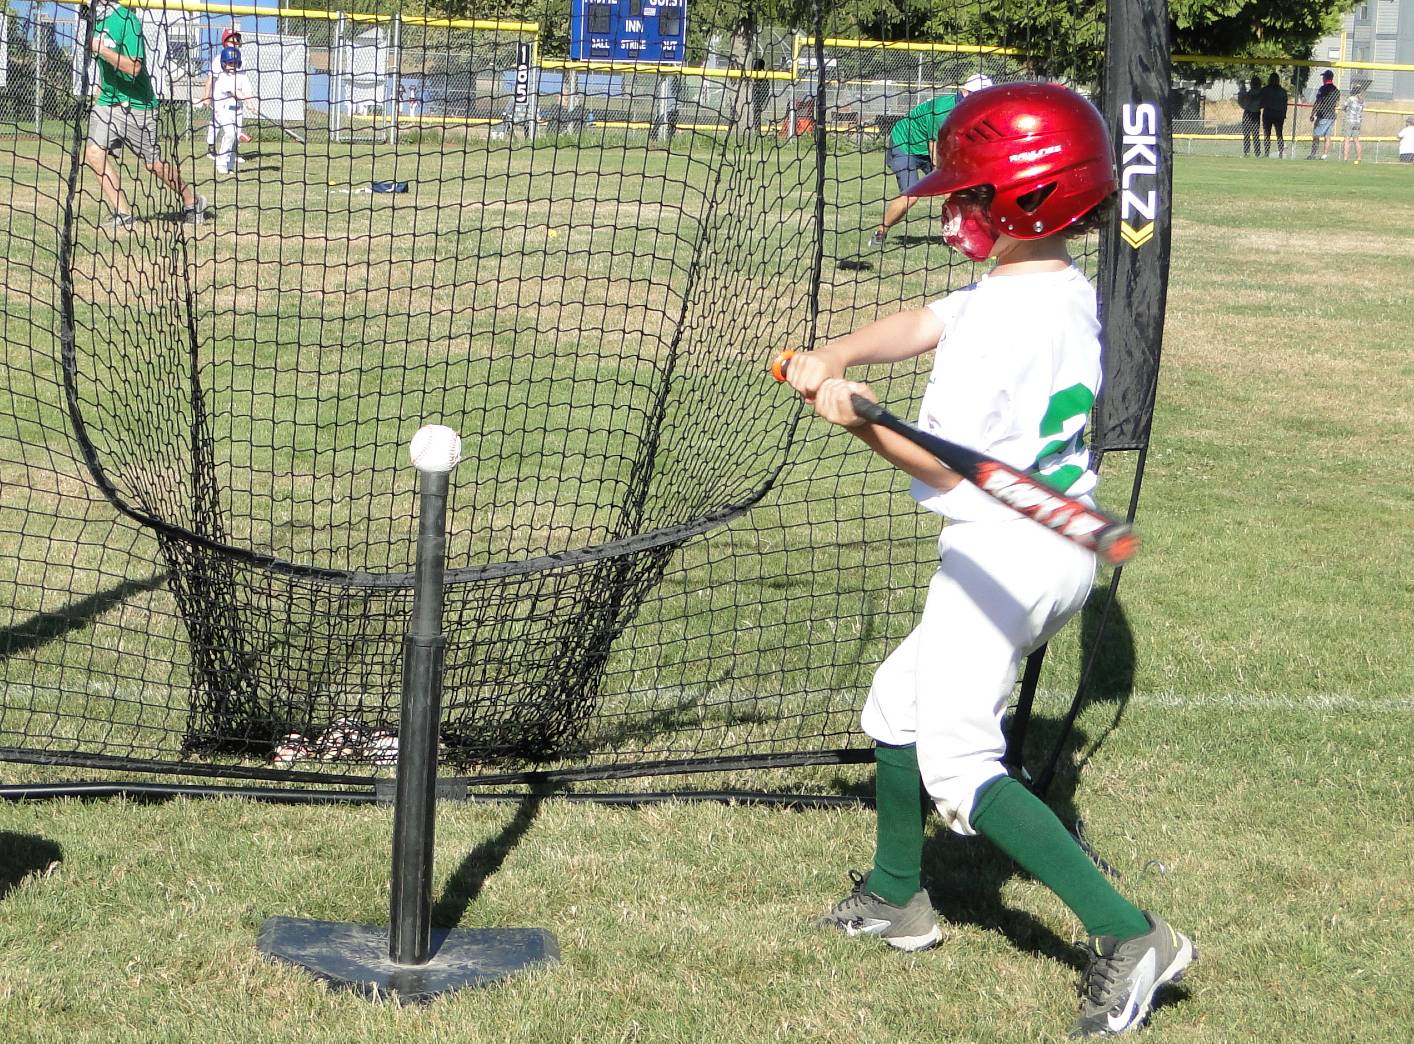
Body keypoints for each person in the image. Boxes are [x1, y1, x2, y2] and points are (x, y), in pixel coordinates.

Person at [782, 83, 1195, 1038]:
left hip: (1002, 550)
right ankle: (897, 897)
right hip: (1050, 544)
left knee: (959, 762)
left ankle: (1131, 936)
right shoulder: (1047, 288)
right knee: (897, 703)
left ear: (1029, 200)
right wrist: (842, 352)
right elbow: (933, 319)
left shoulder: (1003, 327)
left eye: (971, 196)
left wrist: (854, 420)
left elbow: (942, 467)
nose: (956, 212)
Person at [84, 0, 204, 229]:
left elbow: (134, 67)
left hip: (139, 106)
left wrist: (101, 49)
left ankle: (192, 200)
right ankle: (123, 213)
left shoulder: (128, 21)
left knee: (153, 165)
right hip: (108, 103)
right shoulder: (95, 21)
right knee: (93, 153)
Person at [872, 73, 993, 245]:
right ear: (964, 92)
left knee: (959, 192)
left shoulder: (973, 111)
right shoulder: (944, 111)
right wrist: (945, 177)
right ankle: (880, 232)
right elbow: (935, 150)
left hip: (930, 149)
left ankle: (958, 236)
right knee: (911, 195)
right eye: (977, 95)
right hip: (905, 145)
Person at [206, 46, 254, 175]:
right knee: (230, 134)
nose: (232, 66)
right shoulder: (222, 78)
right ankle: (221, 163)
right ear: (223, 63)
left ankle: (230, 165)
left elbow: (247, 91)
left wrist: (251, 103)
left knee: (236, 139)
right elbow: (236, 92)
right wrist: (245, 98)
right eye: (229, 63)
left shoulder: (242, 76)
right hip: (223, 110)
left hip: (238, 111)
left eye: (235, 63)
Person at [1307, 69, 1339, 160]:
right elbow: (1336, 103)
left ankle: (1313, 154)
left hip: (1323, 115)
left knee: (1316, 135)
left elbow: (1318, 102)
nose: (1323, 79)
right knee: (1327, 136)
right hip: (1331, 116)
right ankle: (1325, 154)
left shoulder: (1323, 88)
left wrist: (1312, 114)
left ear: (1326, 78)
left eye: (1323, 77)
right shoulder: (1336, 90)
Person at [1258, 72, 1288, 158]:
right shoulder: (1282, 91)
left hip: (1269, 114)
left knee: (1268, 135)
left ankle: (1267, 153)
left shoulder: (1266, 90)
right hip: (1278, 115)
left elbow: (1261, 101)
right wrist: (1284, 114)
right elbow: (1284, 105)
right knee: (1279, 134)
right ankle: (1280, 152)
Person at [1238, 75, 1262, 157]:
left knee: (1248, 135)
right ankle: (1256, 152)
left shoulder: (1251, 93)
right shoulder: (1257, 93)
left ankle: (1248, 151)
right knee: (1254, 135)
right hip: (1254, 114)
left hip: (1249, 114)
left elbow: (1243, 103)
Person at [1341, 84, 1365, 163]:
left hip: (1349, 120)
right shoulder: (1362, 100)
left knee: (1347, 139)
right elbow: (1361, 110)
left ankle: (1345, 158)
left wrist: (1346, 110)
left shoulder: (1350, 99)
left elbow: (1343, 107)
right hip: (1357, 121)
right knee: (1356, 140)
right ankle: (1359, 157)